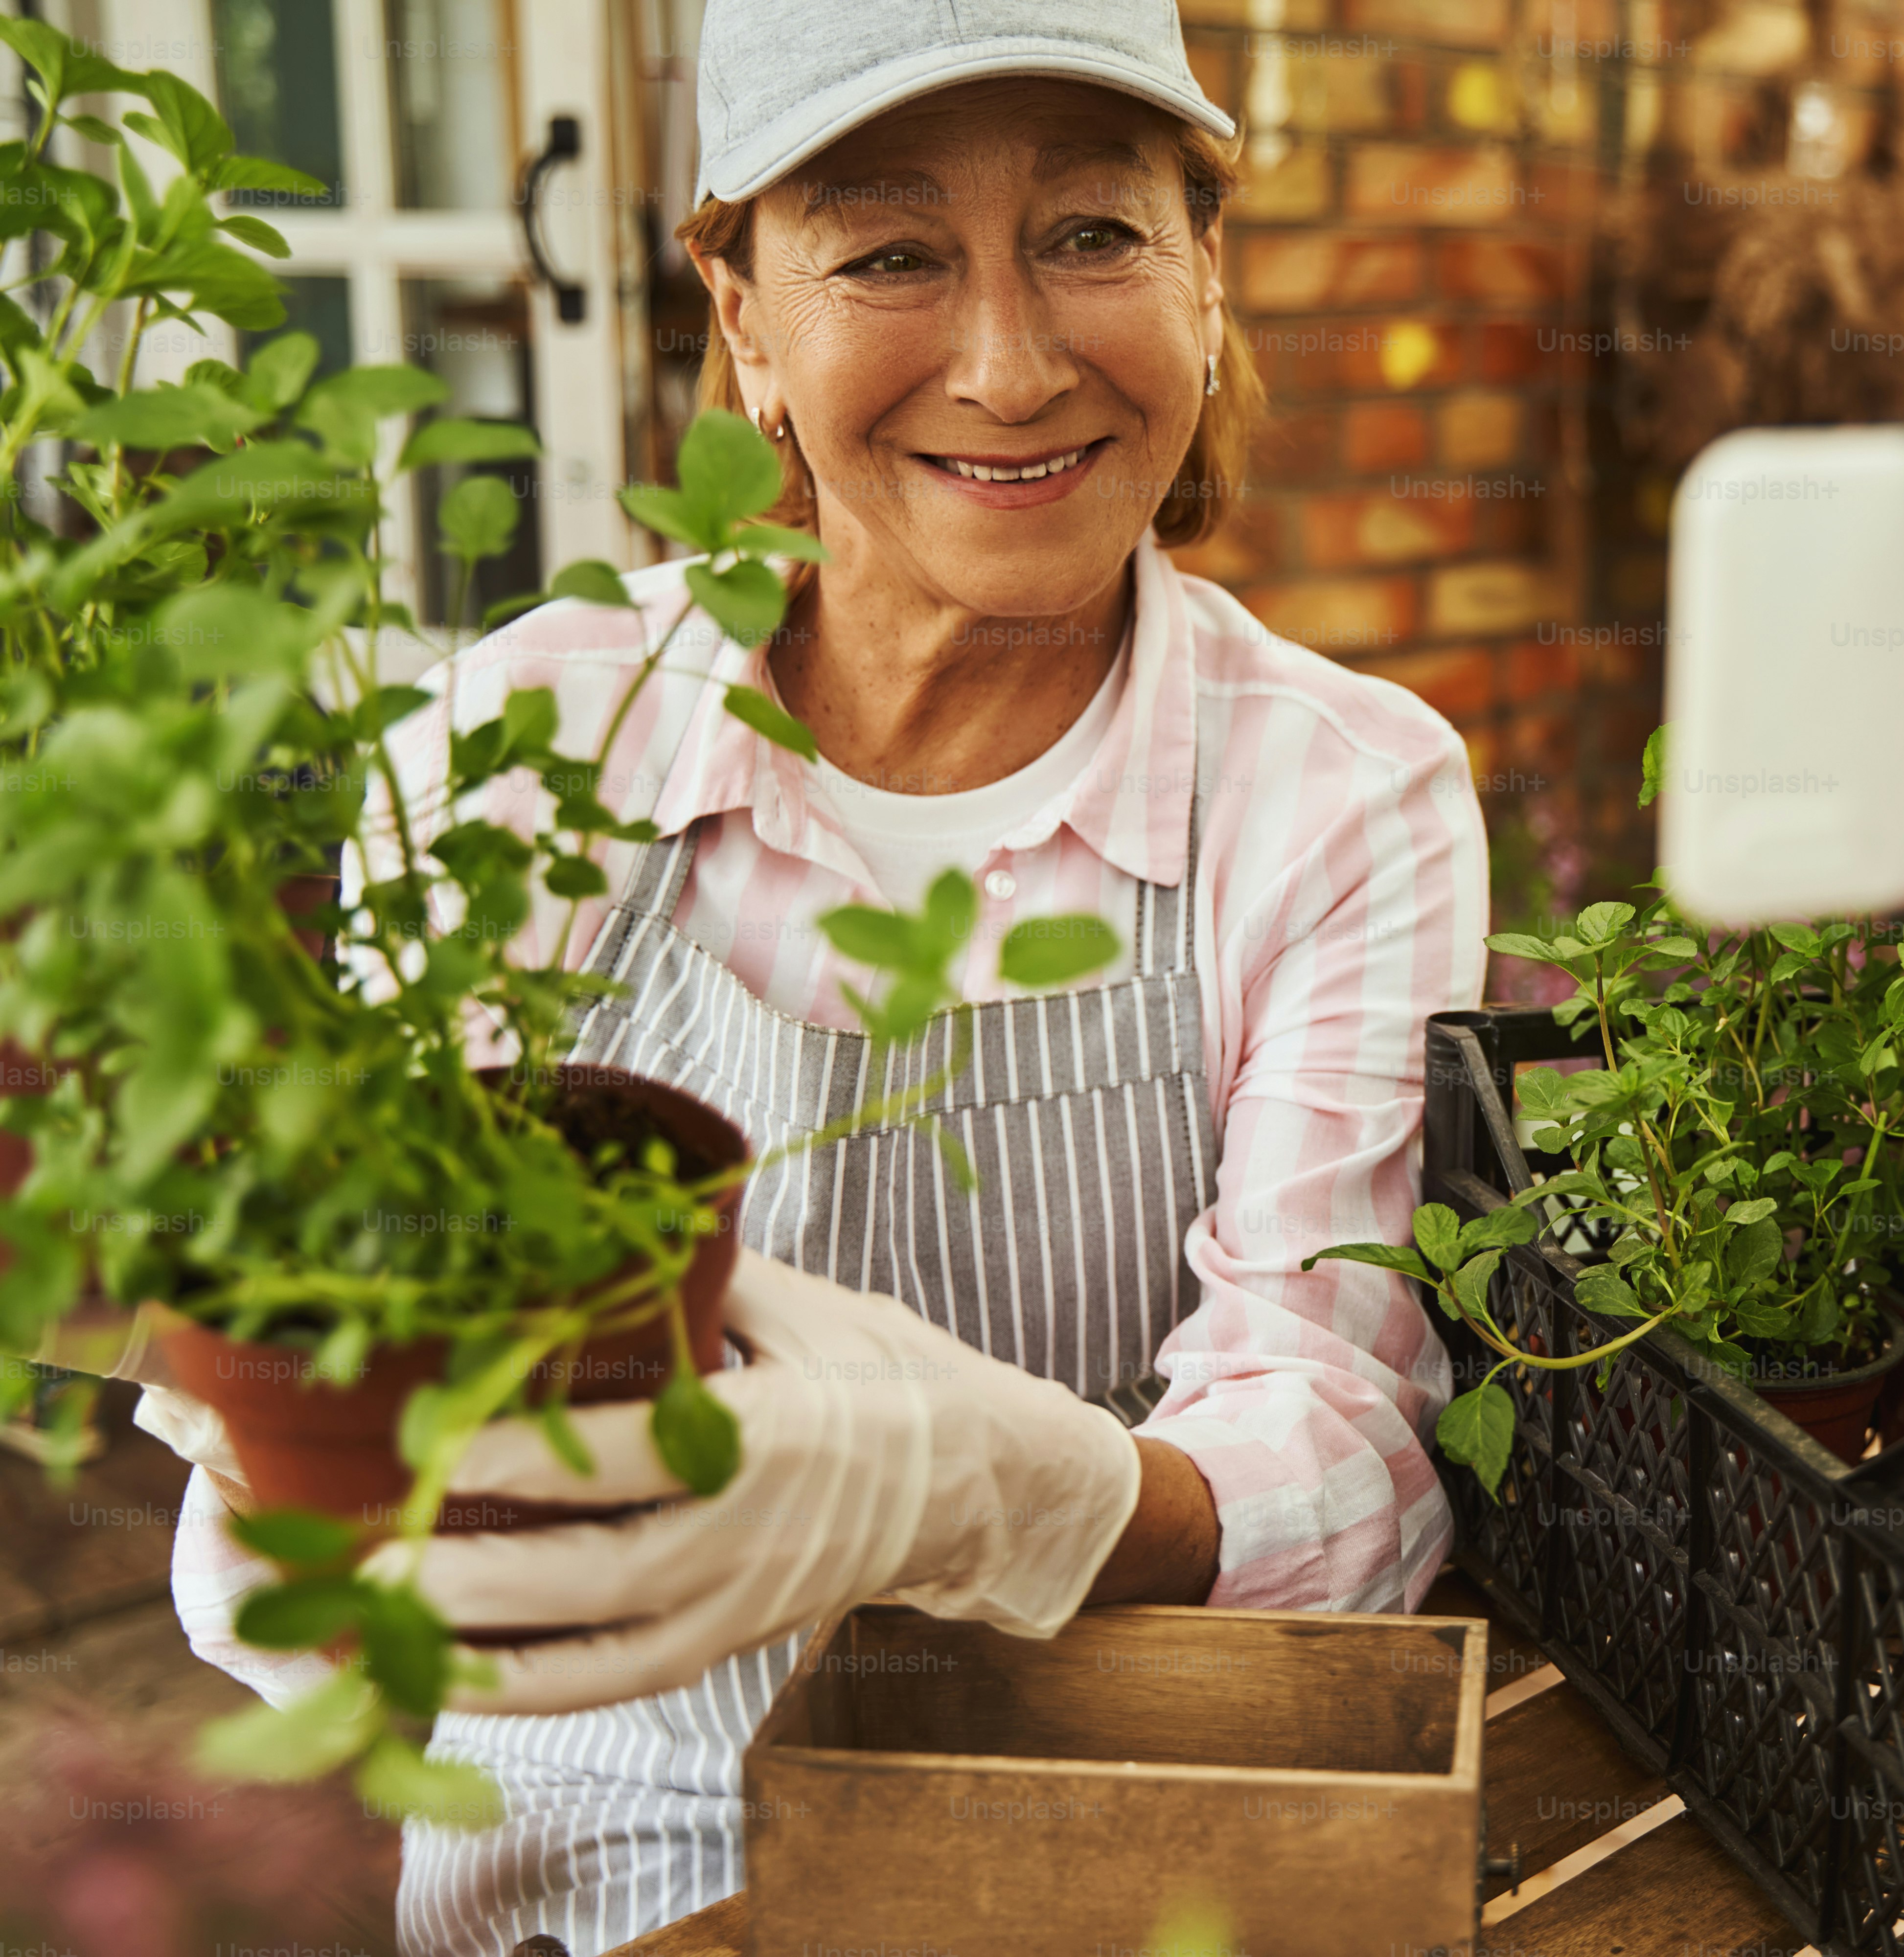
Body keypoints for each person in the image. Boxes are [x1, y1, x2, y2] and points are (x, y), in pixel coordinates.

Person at [134, 3, 1486, 1951]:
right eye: (889, 252)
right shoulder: (518, 751)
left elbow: (1350, 1459)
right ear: (746, 312)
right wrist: (287, 1435)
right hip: (558, 1864)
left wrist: (1004, 1489)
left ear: (1210, 269)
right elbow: (344, 1527)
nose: (1014, 366)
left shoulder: (1340, 792)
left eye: (1096, 234)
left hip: (1069, 1846)